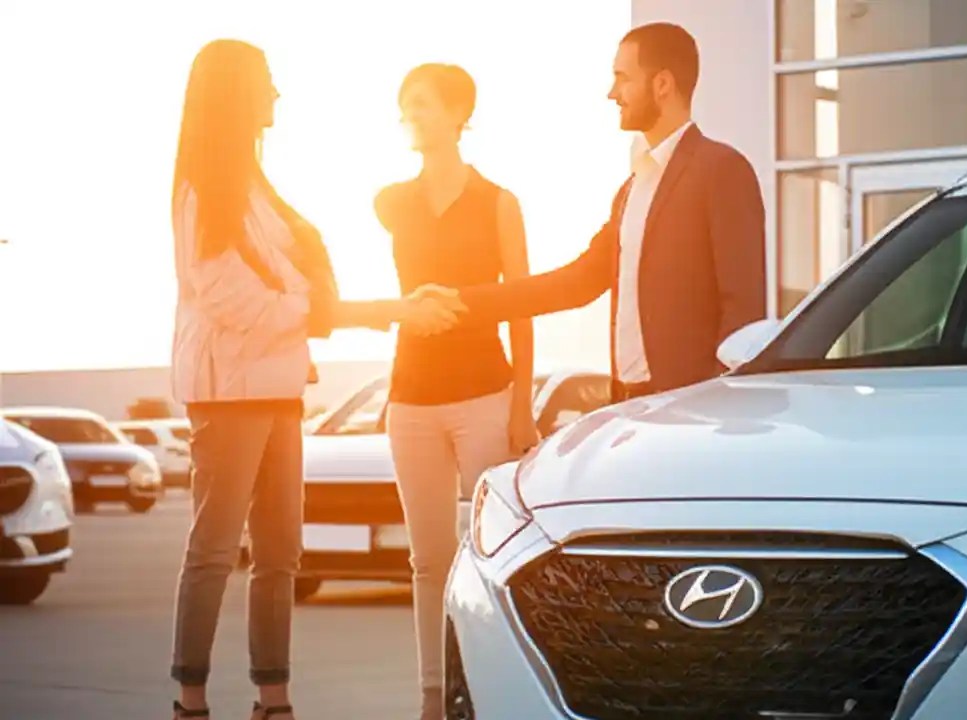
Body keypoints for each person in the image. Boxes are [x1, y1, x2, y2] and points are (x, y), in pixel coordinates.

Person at [168, 39, 455, 720]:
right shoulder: (200, 190)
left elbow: (291, 287)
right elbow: (224, 294)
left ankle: (274, 700)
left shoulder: (255, 190)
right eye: (266, 83)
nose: (276, 95)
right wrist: (320, 310)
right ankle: (191, 700)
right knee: (214, 549)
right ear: (236, 93)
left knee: (280, 554)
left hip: (279, 387)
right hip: (228, 392)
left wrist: (313, 306)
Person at [422, 22, 766, 400]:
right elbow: (577, 282)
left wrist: (720, 397)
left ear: (662, 84)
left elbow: (744, 308)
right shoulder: (631, 189)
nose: (612, 93)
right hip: (629, 404)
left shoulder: (721, 170)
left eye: (623, 78)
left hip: (693, 409)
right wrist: (461, 301)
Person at [373, 63, 538, 720]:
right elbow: (398, 300)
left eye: (420, 102)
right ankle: (432, 702)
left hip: (484, 399)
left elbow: (521, 307)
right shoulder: (389, 201)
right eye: (404, 103)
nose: (409, 113)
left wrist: (522, 404)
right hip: (409, 400)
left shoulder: (499, 202)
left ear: (457, 111)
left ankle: (494, 696)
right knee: (427, 560)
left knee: (491, 558)